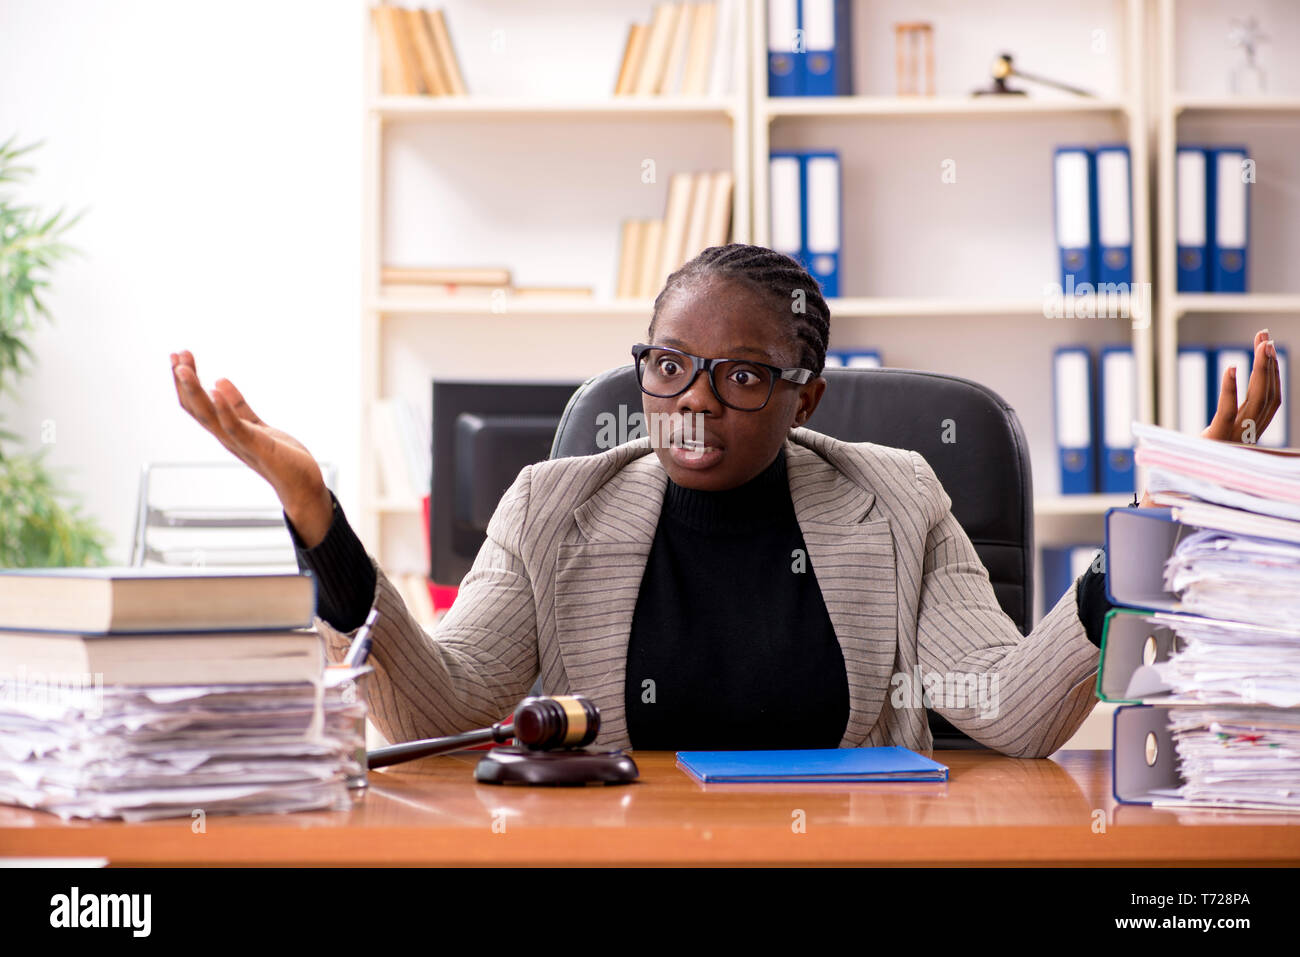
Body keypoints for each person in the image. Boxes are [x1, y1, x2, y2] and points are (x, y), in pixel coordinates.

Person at [170, 244, 1282, 757]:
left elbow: (1013, 711)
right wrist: (317, 514)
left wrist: (1157, 524)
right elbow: (436, 708)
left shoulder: (897, 500)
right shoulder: (554, 506)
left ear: (806, 398)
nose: (694, 401)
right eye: (667, 365)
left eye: (744, 375)